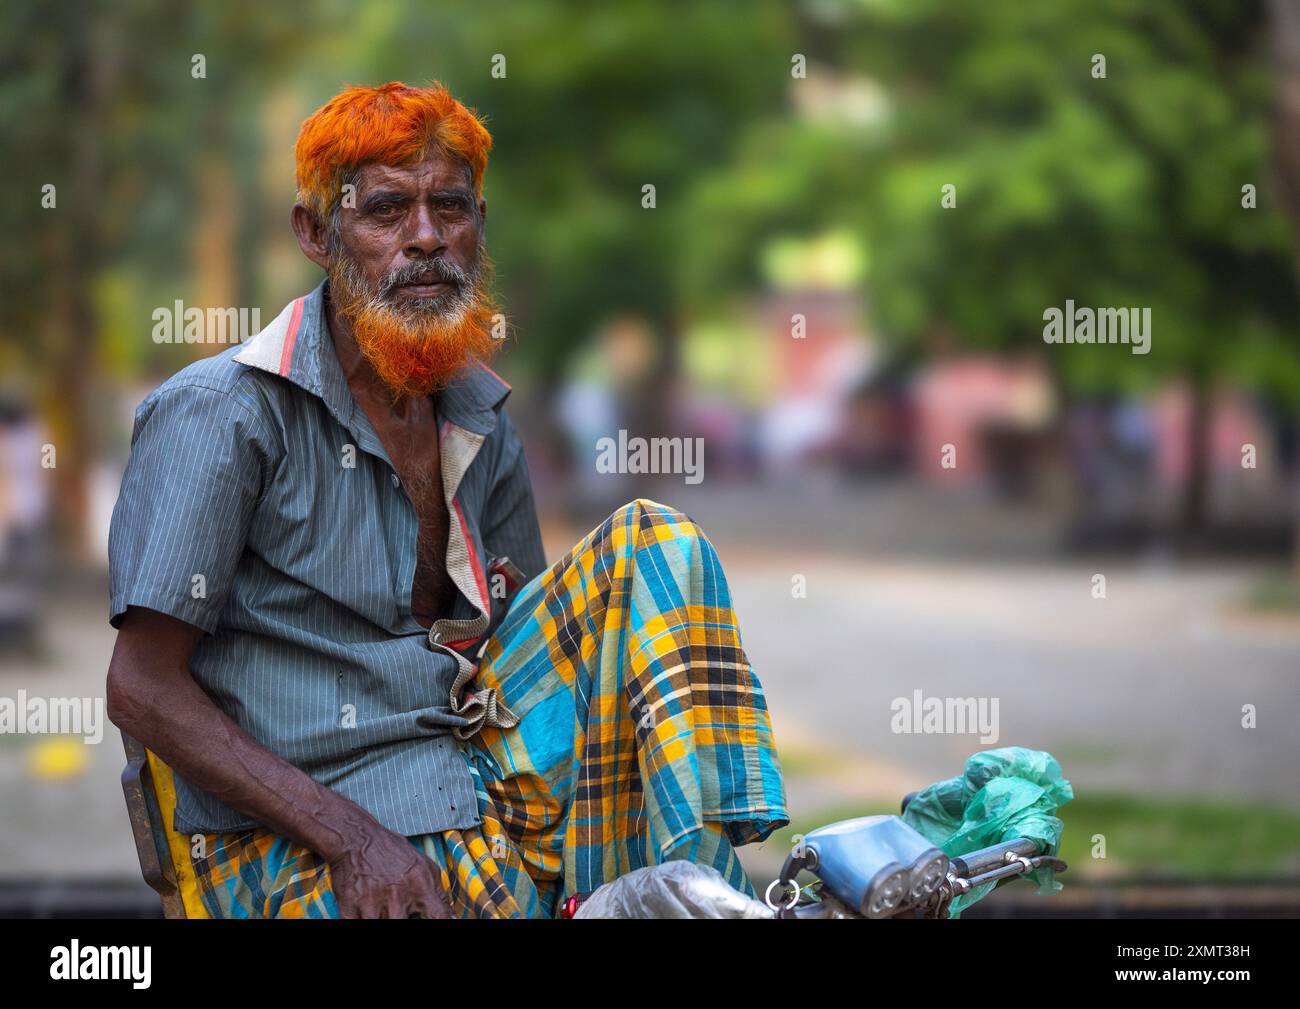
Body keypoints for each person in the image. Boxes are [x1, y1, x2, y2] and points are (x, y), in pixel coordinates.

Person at [105, 82, 786, 918]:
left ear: (479, 225)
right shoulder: (226, 410)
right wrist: (356, 841)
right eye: (386, 210)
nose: (425, 238)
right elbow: (140, 688)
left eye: (450, 207)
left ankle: (699, 889)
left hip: (471, 787)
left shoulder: (479, 417)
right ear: (317, 233)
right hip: (294, 840)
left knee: (654, 542)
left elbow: (519, 658)